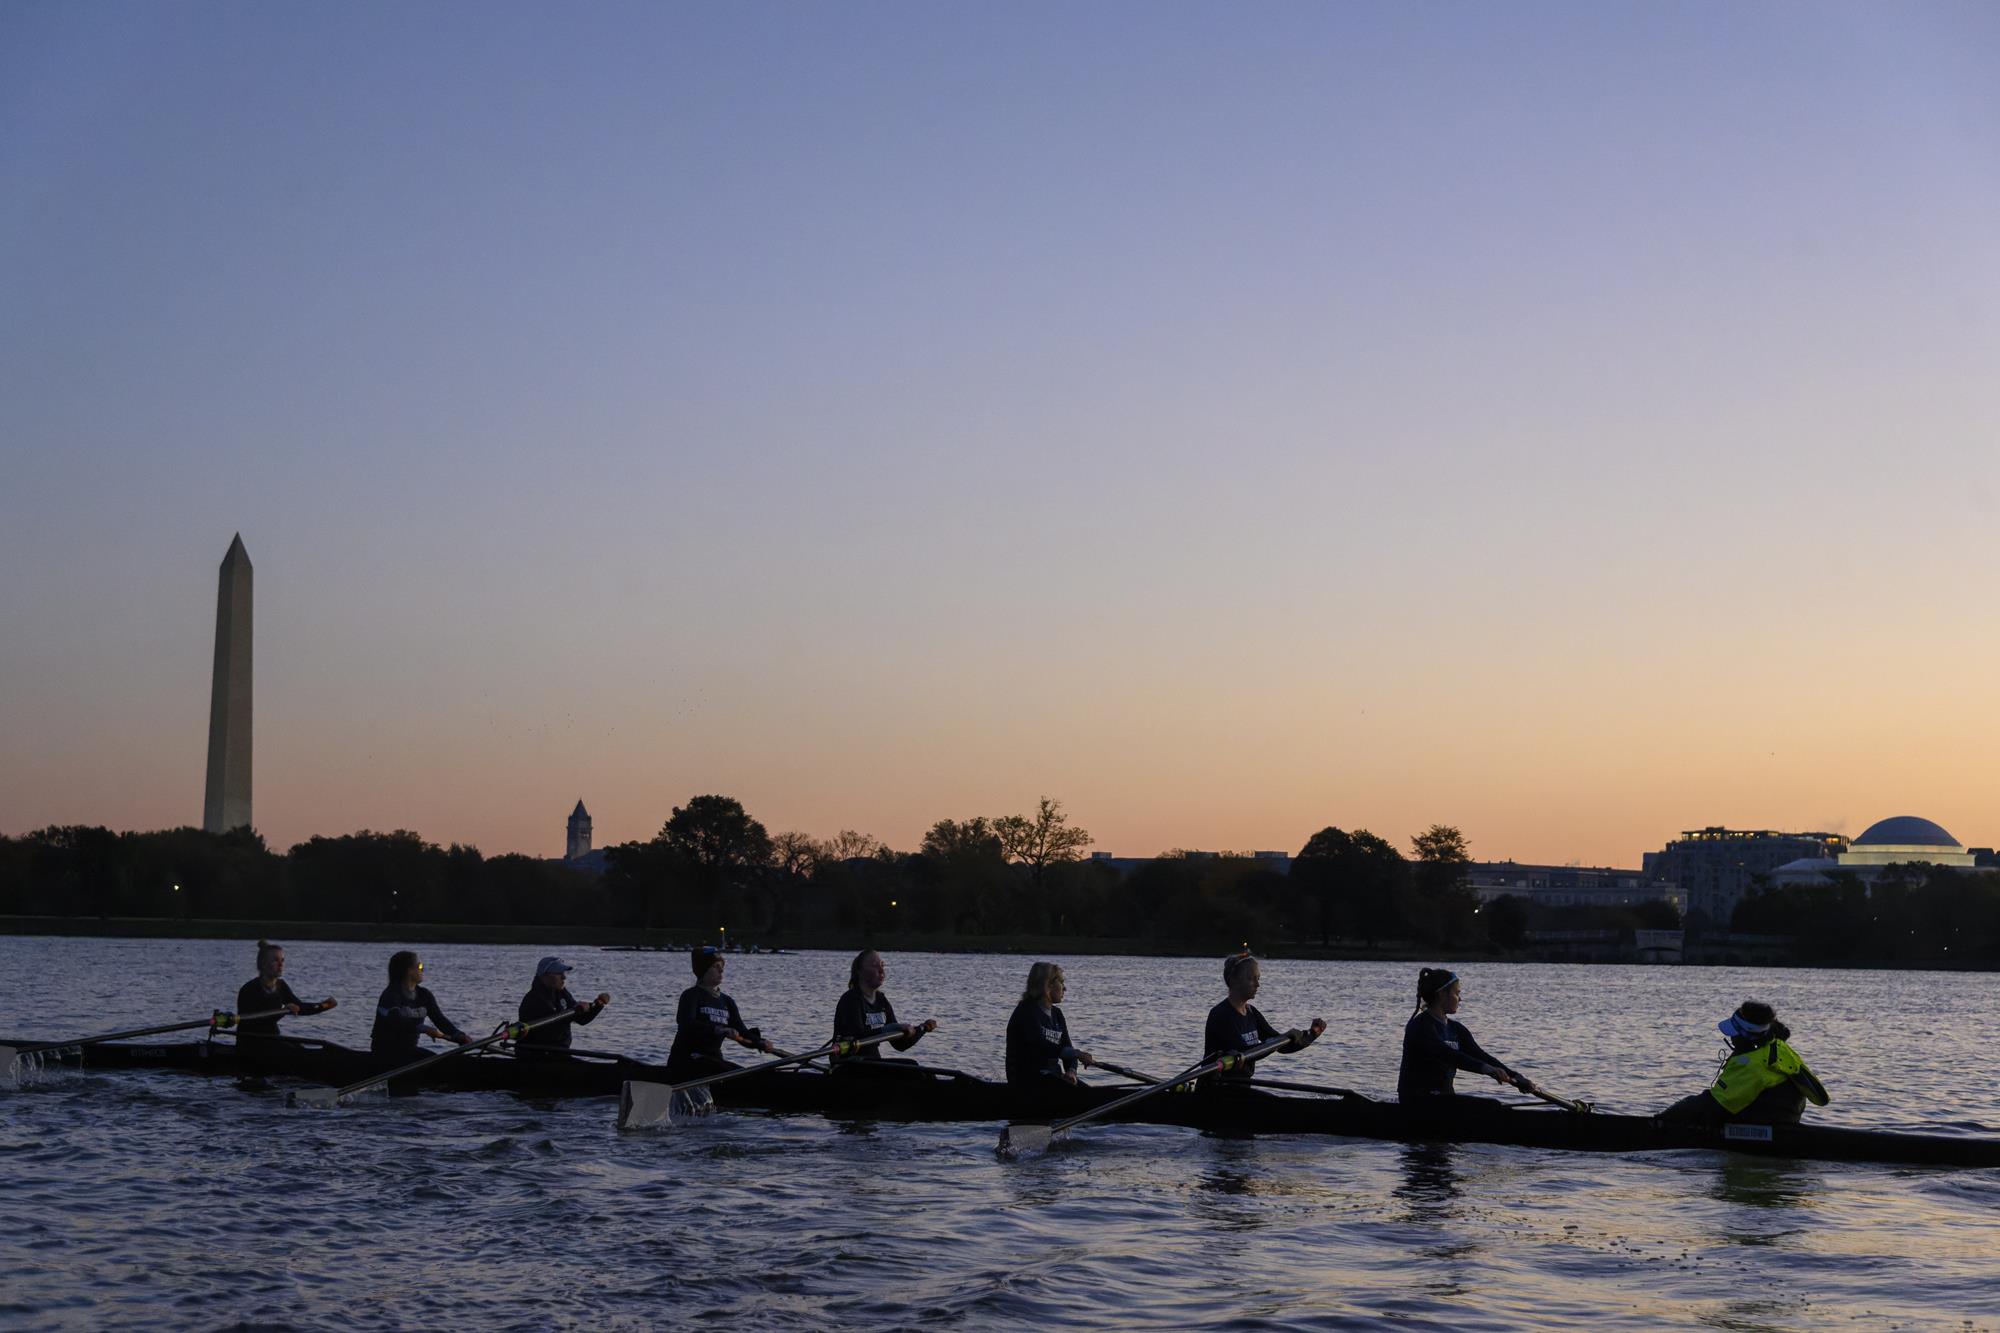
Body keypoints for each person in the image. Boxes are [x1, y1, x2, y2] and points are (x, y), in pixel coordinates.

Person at [1659, 1000, 1830, 1126]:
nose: (1731, 1037)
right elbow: (1820, 1098)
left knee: (1697, 1112)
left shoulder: (1751, 1063)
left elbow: (1715, 1105)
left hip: (1761, 1126)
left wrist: (1663, 1119)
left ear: (1745, 1036)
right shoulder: (1779, 1047)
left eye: (1734, 1033)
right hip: (1785, 1120)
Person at [1397, 968, 1536, 1104]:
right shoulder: (1420, 1026)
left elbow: (1481, 1056)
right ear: (1442, 994)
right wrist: (1489, 1070)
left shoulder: (1456, 1029)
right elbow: (1446, 1054)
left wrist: (1516, 1078)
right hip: (1416, 1100)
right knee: (1490, 1106)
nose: (1460, 999)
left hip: (1443, 1098)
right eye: (1457, 993)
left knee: (1494, 1107)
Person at [1202, 952, 1326, 1081]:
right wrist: (1279, 1040)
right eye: (1251, 978)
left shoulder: (1252, 1013)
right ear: (1234, 980)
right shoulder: (1220, 1014)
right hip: (1216, 1089)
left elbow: (1282, 1046)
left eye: (1258, 979)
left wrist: (1312, 1034)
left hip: (1240, 1087)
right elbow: (1245, 1052)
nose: (1257, 985)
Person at [665, 945, 773, 1082]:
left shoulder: (727, 1001)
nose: (721, 970)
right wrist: (717, 1029)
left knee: (744, 1073)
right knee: (738, 1075)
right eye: (716, 966)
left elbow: (742, 1032)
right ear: (703, 970)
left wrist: (760, 1042)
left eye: (721, 966)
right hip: (687, 1061)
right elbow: (687, 1024)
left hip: (713, 1061)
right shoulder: (691, 996)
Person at [831, 950, 935, 1063]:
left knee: (916, 1068)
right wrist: (889, 1028)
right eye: (875, 965)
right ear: (859, 971)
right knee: (911, 1067)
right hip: (848, 1064)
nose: (881, 970)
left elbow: (900, 1045)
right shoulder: (851, 1000)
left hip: (872, 1062)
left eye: (882, 965)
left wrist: (922, 1028)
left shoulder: (881, 1000)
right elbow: (859, 1037)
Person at [1005, 961, 1094, 1088]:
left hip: (1051, 1078)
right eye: (1061, 982)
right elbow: (1041, 1046)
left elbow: (1066, 1046)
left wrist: (1071, 1071)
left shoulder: (1057, 1014)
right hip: (1027, 1080)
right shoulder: (1025, 1011)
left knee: (1087, 1092)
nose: (1065, 988)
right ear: (1048, 985)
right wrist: (1077, 1053)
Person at [370, 950, 472, 1056]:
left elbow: (440, 1020)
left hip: (409, 1050)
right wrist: (424, 1028)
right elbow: (396, 1020)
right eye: (420, 966)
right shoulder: (390, 995)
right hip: (385, 1051)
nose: (423, 969)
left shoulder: (424, 995)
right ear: (409, 970)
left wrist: (459, 1035)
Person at [234, 940, 337, 1039]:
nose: (281, 965)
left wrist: (325, 1005)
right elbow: (255, 1021)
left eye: (282, 960)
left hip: (272, 1039)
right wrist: (283, 1011)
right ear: (263, 964)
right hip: (251, 1042)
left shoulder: (281, 985)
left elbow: (300, 1007)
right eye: (275, 960)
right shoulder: (249, 989)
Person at [515, 956, 610, 1060]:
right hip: (537, 1056)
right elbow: (551, 1030)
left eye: (563, 973)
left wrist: (598, 1005)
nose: (564, 977)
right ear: (544, 976)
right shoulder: (533, 999)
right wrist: (576, 1010)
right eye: (559, 973)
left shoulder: (562, 993)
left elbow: (581, 1020)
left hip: (558, 1054)